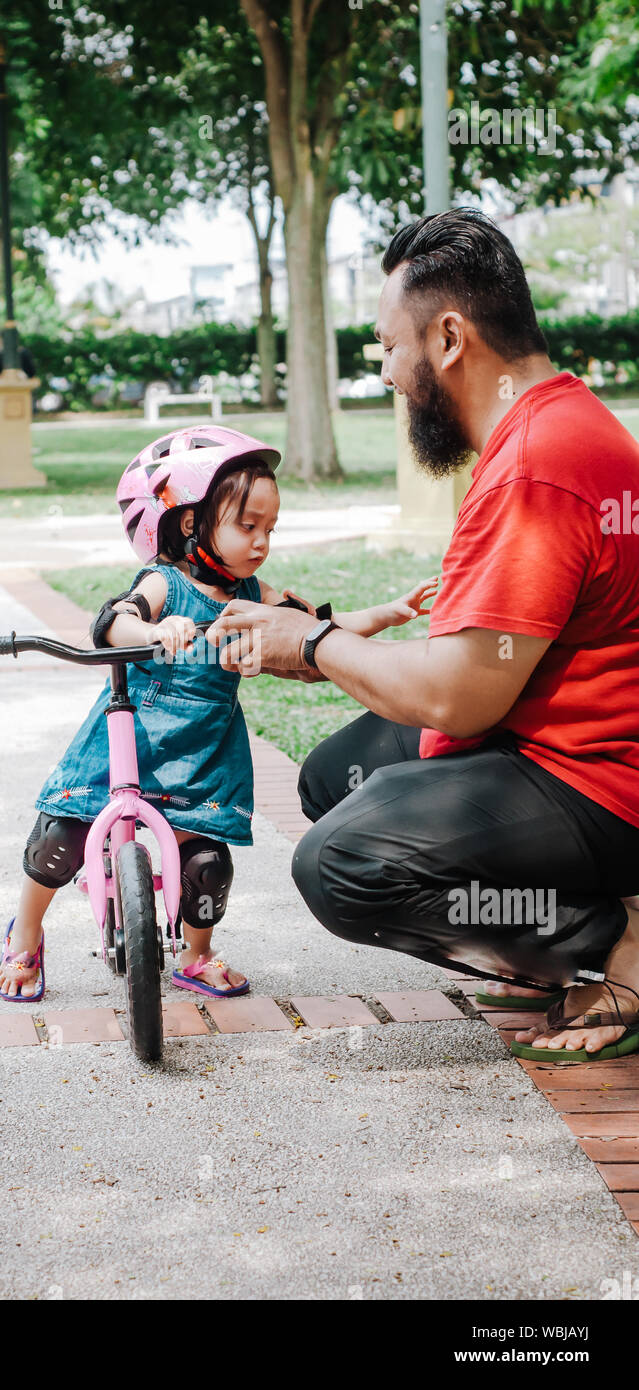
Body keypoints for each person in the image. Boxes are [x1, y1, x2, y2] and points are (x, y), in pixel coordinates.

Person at [206, 207, 639, 1065]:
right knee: (338, 775)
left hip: (601, 781)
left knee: (344, 864)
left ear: (447, 338)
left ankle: (613, 938)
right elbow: (477, 663)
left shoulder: (535, 466)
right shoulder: (558, 424)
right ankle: (550, 938)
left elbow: (458, 694)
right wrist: (328, 647)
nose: (388, 372)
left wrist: (312, 645)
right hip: (553, 735)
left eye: (387, 345)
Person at [0, 424, 437, 1002]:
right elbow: (113, 623)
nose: (260, 542)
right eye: (247, 526)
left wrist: (389, 611)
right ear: (189, 524)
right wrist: (155, 629)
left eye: (269, 529)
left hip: (205, 750)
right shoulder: (166, 583)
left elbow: (319, 628)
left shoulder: (252, 592)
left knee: (206, 866)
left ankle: (196, 954)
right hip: (131, 737)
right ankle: (25, 934)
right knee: (59, 839)